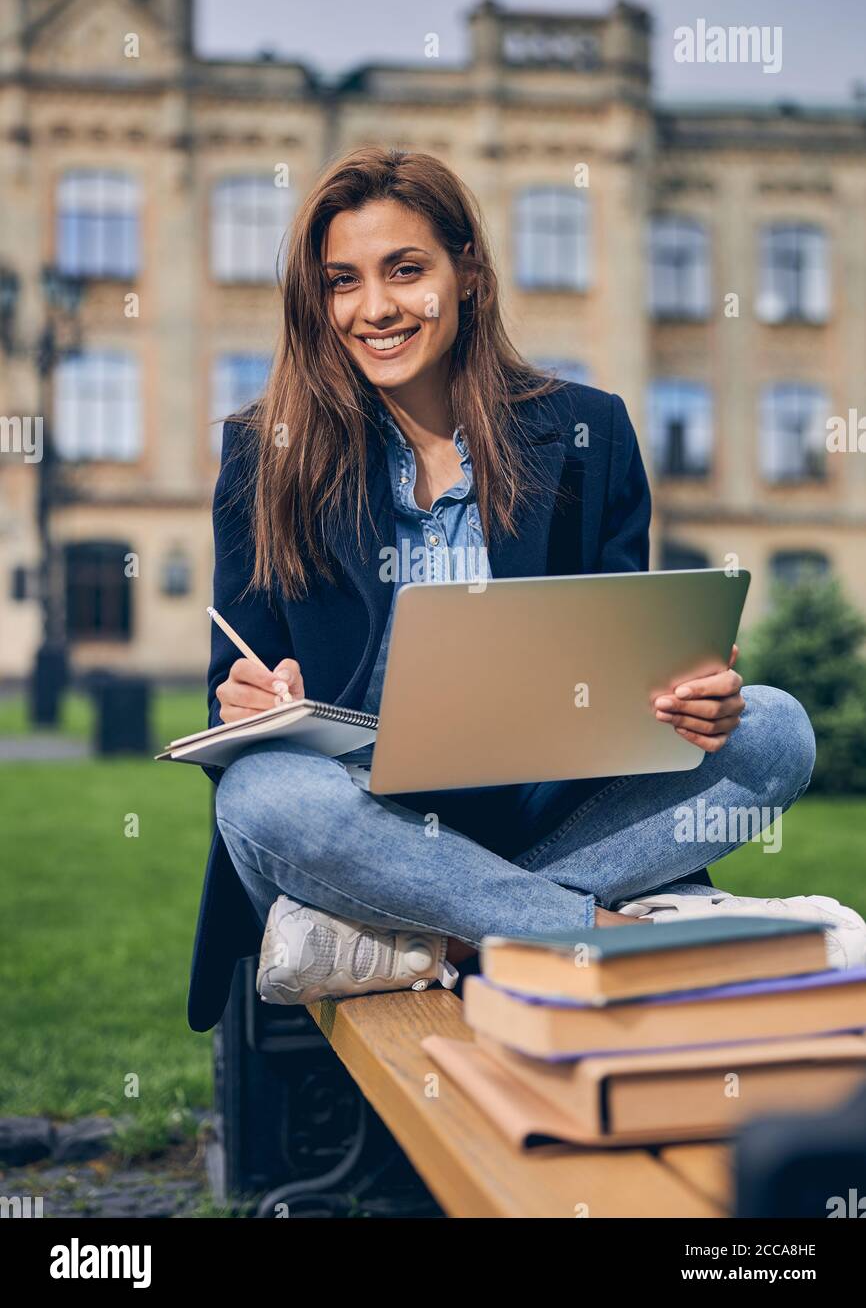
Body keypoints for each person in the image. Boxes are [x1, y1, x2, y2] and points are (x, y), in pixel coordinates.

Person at [187, 145, 864, 1029]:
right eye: (341, 281)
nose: (375, 308)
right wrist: (244, 702)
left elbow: (624, 667)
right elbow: (228, 689)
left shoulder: (589, 433)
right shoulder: (266, 454)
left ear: (467, 275)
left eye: (405, 271)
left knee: (774, 730)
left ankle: (440, 942)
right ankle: (589, 934)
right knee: (260, 794)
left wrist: (688, 701)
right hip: (359, 817)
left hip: (545, 811)